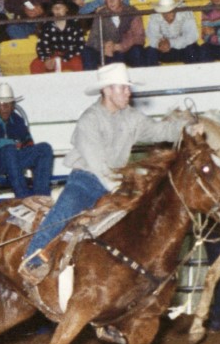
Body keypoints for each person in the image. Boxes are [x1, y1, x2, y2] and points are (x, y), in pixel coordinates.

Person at [20, 63, 195, 282]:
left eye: (127, 88)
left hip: (116, 182)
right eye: (123, 88)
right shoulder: (89, 120)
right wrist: (123, 190)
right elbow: (98, 165)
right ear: (107, 90)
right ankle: (32, 259)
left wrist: (187, 126)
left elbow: (160, 130)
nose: (128, 92)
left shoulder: (132, 117)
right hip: (86, 181)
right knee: (63, 213)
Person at [0, 83, 54, 198]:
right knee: (9, 150)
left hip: (13, 161)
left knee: (45, 148)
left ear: (13, 105)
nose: (5, 108)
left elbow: (28, 145)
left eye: (9, 104)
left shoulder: (17, 121)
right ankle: (23, 198)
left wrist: (31, 157)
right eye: (2, 104)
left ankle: (41, 197)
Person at [81, 0, 150, 69]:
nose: (111, 1)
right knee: (87, 52)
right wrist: (104, 45)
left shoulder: (132, 12)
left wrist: (119, 46)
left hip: (126, 51)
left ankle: (142, 79)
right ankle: (92, 80)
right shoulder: (101, 14)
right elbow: (92, 39)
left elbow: (139, 37)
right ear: (105, 0)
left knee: (137, 51)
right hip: (106, 51)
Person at [144, 0, 208, 65]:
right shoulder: (155, 15)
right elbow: (152, 36)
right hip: (163, 49)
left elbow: (192, 36)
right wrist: (159, 44)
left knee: (193, 50)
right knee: (150, 52)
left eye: (170, 10)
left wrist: (171, 43)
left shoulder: (185, 12)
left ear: (175, 8)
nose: (167, 13)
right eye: (164, 12)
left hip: (183, 48)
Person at [31, 0, 87, 73]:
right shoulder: (47, 25)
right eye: (54, 8)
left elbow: (79, 46)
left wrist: (62, 58)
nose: (57, 10)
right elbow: (41, 46)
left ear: (66, 9)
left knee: (77, 63)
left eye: (60, 7)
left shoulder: (75, 24)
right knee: (35, 65)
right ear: (51, 10)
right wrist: (46, 59)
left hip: (70, 56)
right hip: (52, 56)